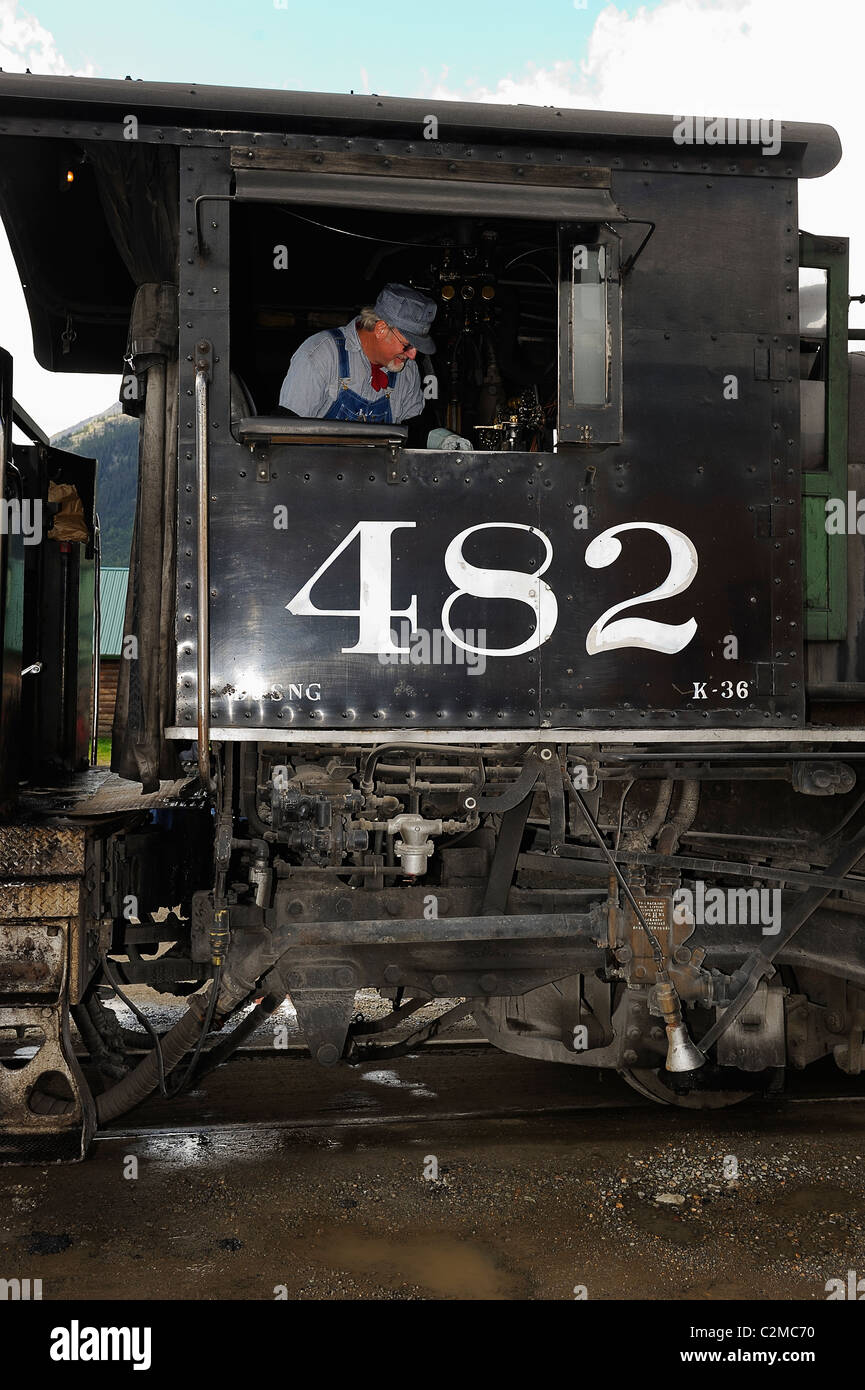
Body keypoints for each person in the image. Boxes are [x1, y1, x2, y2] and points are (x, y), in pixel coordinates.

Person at [277, 282, 471, 447]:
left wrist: (443, 440)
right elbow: (286, 431)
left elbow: (413, 428)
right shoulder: (321, 354)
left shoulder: (406, 371)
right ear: (380, 329)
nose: (412, 356)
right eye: (407, 346)